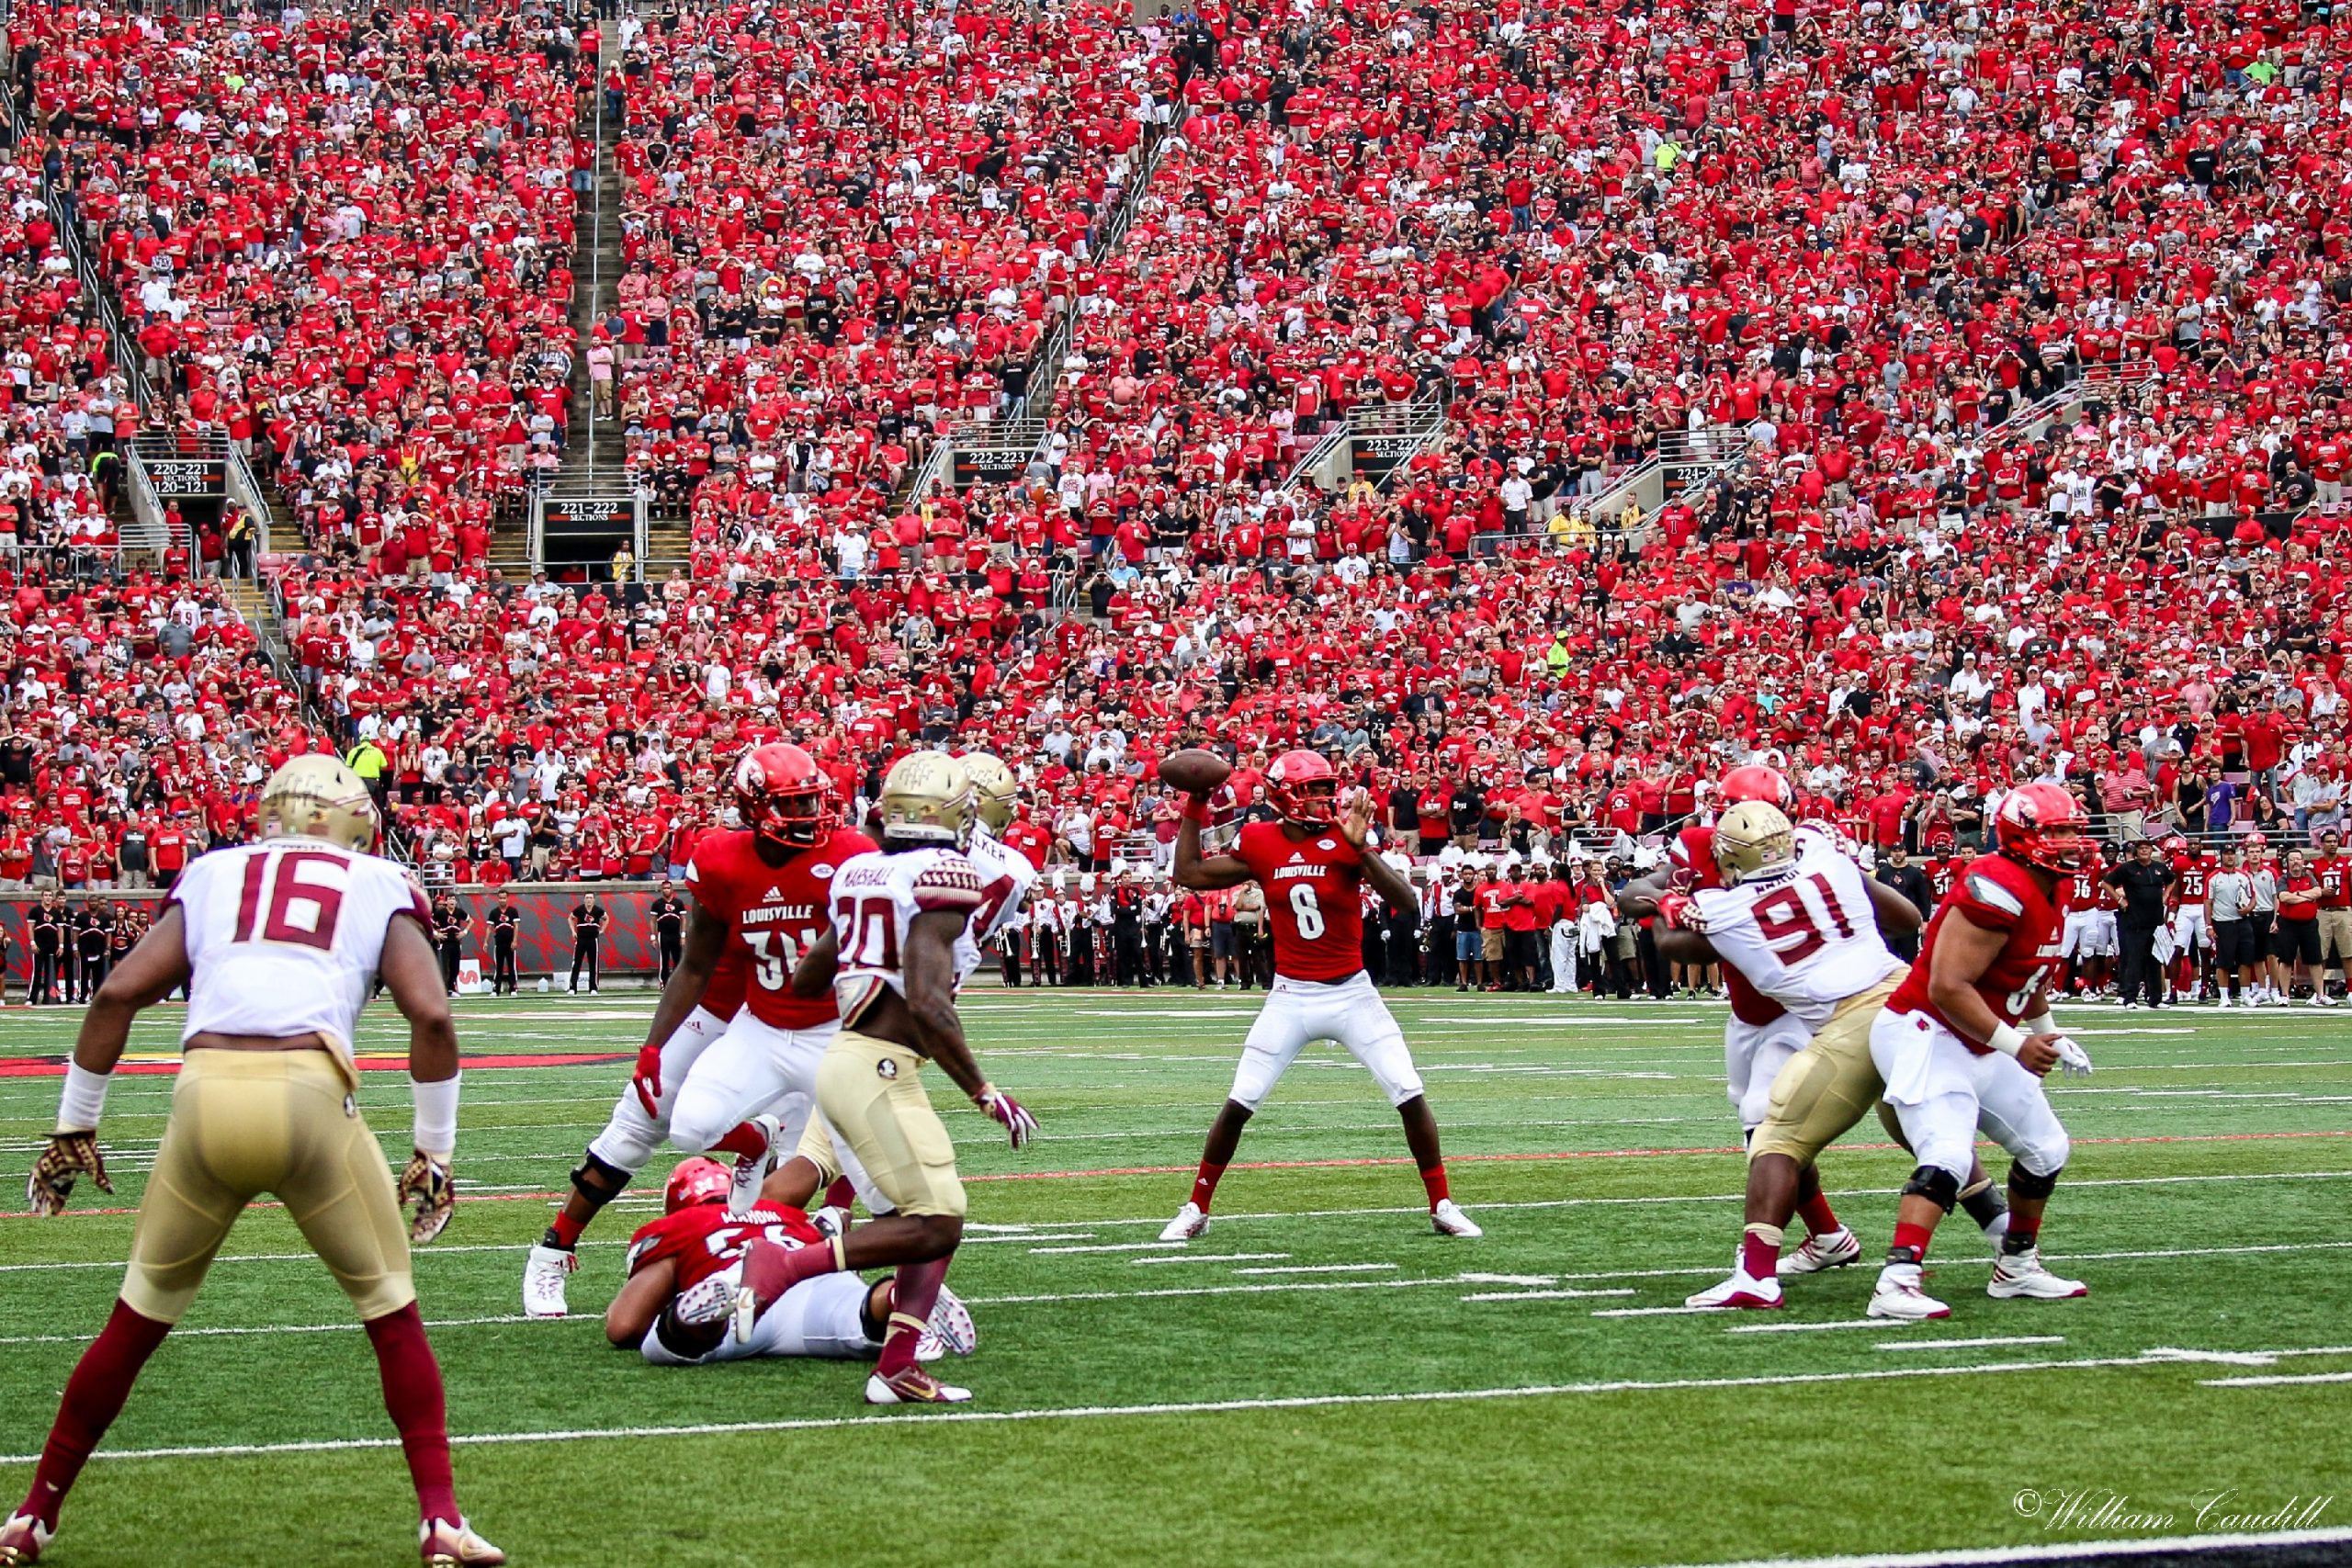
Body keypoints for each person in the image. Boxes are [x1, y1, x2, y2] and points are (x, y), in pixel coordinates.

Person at [5, 756, 501, 1567]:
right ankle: (441, 1520)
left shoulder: (210, 872)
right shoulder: (377, 879)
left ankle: (31, 1516)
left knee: (135, 1318)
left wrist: (74, 1128)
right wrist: (434, 1149)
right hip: (309, 1096)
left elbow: (115, 994)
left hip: (202, 1099)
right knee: (391, 1306)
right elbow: (432, 1013)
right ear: (346, 820)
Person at [524, 743, 871, 1319]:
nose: (811, 813)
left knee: (814, 1155)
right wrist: (653, 1046)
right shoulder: (720, 859)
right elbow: (696, 961)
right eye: (796, 802)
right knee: (640, 1124)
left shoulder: (848, 857)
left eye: (814, 799)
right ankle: (553, 1251)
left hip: (800, 1021)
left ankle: (769, 1274)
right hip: (721, 1012)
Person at [752, 751, 1039, 1404]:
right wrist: (983, 1090)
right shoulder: (951, 872)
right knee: (935, 1221)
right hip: (880, 1066)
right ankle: (784, 1265)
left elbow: (806, 975)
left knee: (929, 1209)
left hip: (849, 1054)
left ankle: (898, 1363)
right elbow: (928, 997)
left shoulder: (857, 867)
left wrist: (862, 958)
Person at [1662, 801, 1980, 1310]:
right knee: (1947, 1133)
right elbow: (1904, 917)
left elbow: (1676, 940)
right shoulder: (1825, 856)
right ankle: (2015, 1253)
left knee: (1777, 1136)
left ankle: (1760, 1276)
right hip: (1911, 997)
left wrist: (1671, 907)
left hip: (1853, 1018)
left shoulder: (1724, 910)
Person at [1159, 749, 1479, 1241]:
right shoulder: (1261, 839)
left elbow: (1406, 903)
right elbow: (1190, 874)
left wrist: (1362, 849)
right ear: (1286, 793)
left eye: (1325, 788)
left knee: (1408, 1091)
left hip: (1353, 993)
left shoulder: (1345, 835)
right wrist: (1196, 804)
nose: (1322, 798)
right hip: (1290, 996)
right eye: (1311, 790)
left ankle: (1442, 1203)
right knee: (1240, 1100)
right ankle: (1196, 1207)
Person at [1865, 782, 2097, 1321]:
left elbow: (2030, 970)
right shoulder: (1995, 884)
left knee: (2046, 1149)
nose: (2068, 842)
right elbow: (1948, 985)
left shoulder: (2052, 885)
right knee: (1946, 1153)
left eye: (2070, 830)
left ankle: (2016, 1267)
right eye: (2055, 832)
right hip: (1926, 1030)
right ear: (2021, 835)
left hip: (1980, 1035)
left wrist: (2049, 1032)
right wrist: (2018, 1044)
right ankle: (1896, 1281)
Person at [601, 1157, 973, 1371]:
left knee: (664, 1346)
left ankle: (695, 1318)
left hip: (745, 1284)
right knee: (856, 1322)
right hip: (808, 1271)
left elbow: (624, 1325)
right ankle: (896, 1297)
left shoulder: (680, 1224)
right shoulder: (780, 1213)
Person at [2104, 839, 2176, 1009]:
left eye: (2147, 848)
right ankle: (2130, 998)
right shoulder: (2127, 868)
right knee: (2134, 961)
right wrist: (2119, 899)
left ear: (2152, 851)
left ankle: (2155, 999)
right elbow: (2106, 883)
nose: (2144, 851)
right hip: (2134, 922)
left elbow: (2172, 880)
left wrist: (2165, 896)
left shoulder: (2159, 868)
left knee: (2155, 961)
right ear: (2136, 851)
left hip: (2155, 922)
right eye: (2141, 848)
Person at [568, 892, 607, 993]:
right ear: (584, 899)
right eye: (587, 898)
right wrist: (573, 931)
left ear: (594, 899)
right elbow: (570, 918)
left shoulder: (598, 910)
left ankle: (593, 988)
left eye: (590, 898)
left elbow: (606, 918)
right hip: (581, 938)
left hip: (593, 939)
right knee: (577, 963)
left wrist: (602, 930)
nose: (589, 900)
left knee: (593, 964)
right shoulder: (579, 909)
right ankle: (572, 988)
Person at [650, 878, 687, 982]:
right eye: (664, 888)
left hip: (676, 934)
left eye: (668, 888)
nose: (666, 890)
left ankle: (677, 982)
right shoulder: (657, 904)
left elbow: (683, 919)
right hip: (663, 935)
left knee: (678, 959)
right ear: (661, 890)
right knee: (664, 960)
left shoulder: (678, 903)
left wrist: (683, 935)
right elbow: (653, 921)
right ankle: (664, 983)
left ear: (672, 889)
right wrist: (653, 937)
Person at [485, 892, 523, 996]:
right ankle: (496, 989)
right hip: (499, 944)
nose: (502, 900)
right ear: (498, 899)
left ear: (507, 899)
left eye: (504, 898)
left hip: (510, 943)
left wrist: (515, 941)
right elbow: (489, 928)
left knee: (512, 966)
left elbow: (516, 926)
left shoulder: (513, 911)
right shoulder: (494, 912)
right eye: (500, 898)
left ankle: (513, 988)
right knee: (498, 967)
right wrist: (486, 942)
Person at [432, 894, 469, 997]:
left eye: (453, 899)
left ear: (456, 901)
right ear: (446, 902)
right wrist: (436, 934)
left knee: (455, 967)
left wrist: (464, 932)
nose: (452, 901)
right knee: (444, 967)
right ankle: (442, 989)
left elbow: (471, 921)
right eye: (449, 899)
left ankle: (451, 989)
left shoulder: (459, 912)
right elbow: (430, 924)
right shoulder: (440, 913)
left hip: (456, 942)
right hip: (445, 943)